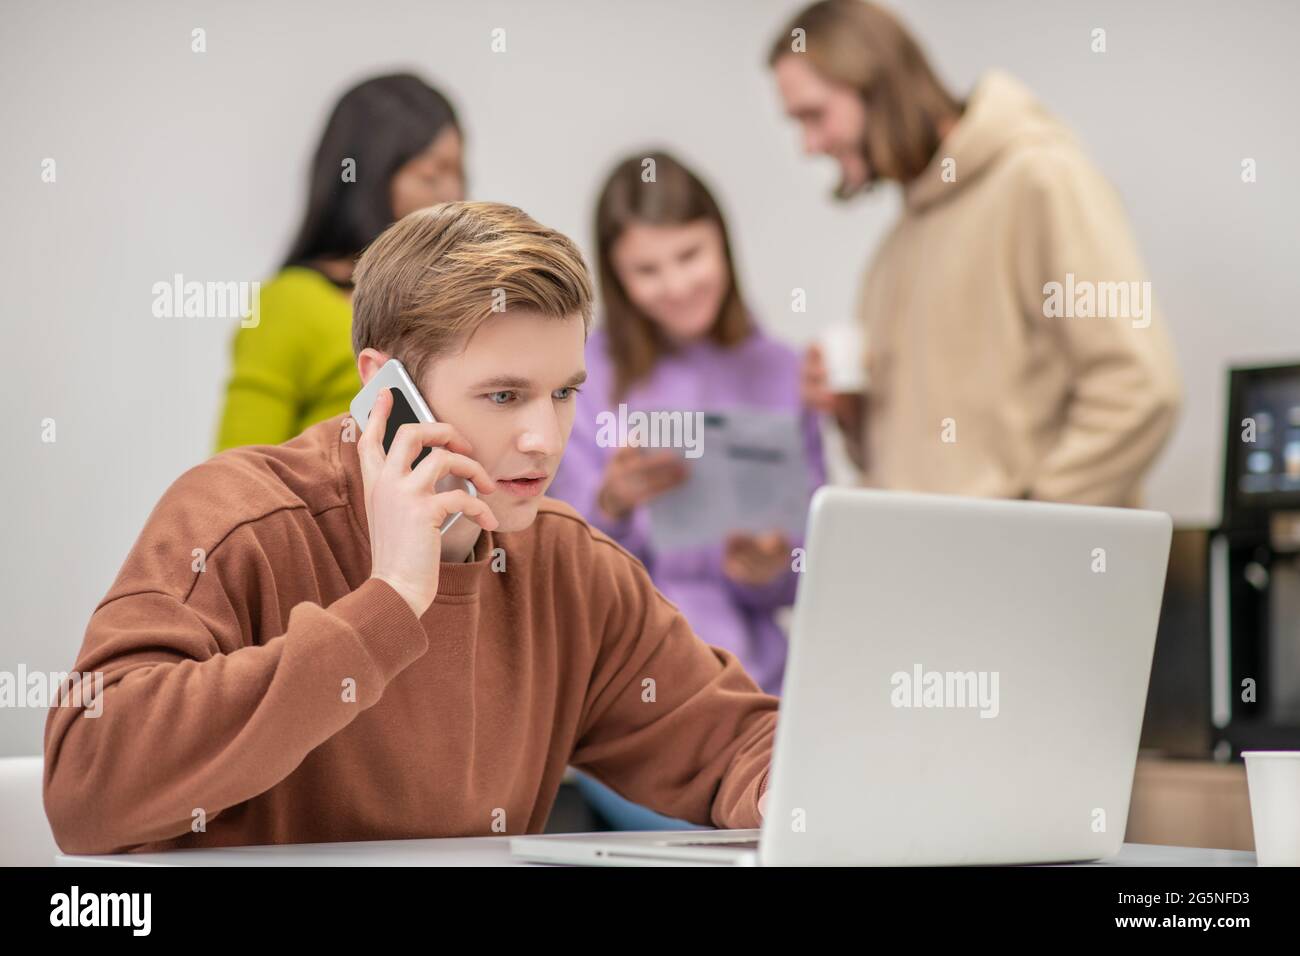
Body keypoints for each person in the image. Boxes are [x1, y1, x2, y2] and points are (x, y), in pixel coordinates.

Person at [44, 202, 774, 854]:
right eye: (502, 395)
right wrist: (387, 601)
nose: (543, 440)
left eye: (563, 393)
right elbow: (84, 790)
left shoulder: (566, 563)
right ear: (384, 388)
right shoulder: (236, 519)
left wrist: (786, 791)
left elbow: (739, 741)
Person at [770, 0, 1181, 507]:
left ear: (876, 83)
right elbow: (918, 462)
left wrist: (1036, 520)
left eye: (814, 115)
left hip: (1023, 573)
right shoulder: (896, 248)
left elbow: (1139, 388)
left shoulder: (1040, 179)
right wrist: (852, 413)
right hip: (932, 566)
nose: (809, 146)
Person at [547, 151, 825, 830]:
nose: (674, 285)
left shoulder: (782, 370)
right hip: (638, 710)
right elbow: (558, 566)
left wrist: (768, 567)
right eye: (647, 269)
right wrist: (610, 504)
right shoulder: (585, 375)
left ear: (722, 242)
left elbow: (818, 565)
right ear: (616, 276)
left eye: (690, 255)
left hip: (768, 690)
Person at [214, 73, 466, 451]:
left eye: (459, 174)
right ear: (369, 179)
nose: (454, 196)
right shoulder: (290, 304)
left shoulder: (457, 300)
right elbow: (232, 479)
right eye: (432, 175)